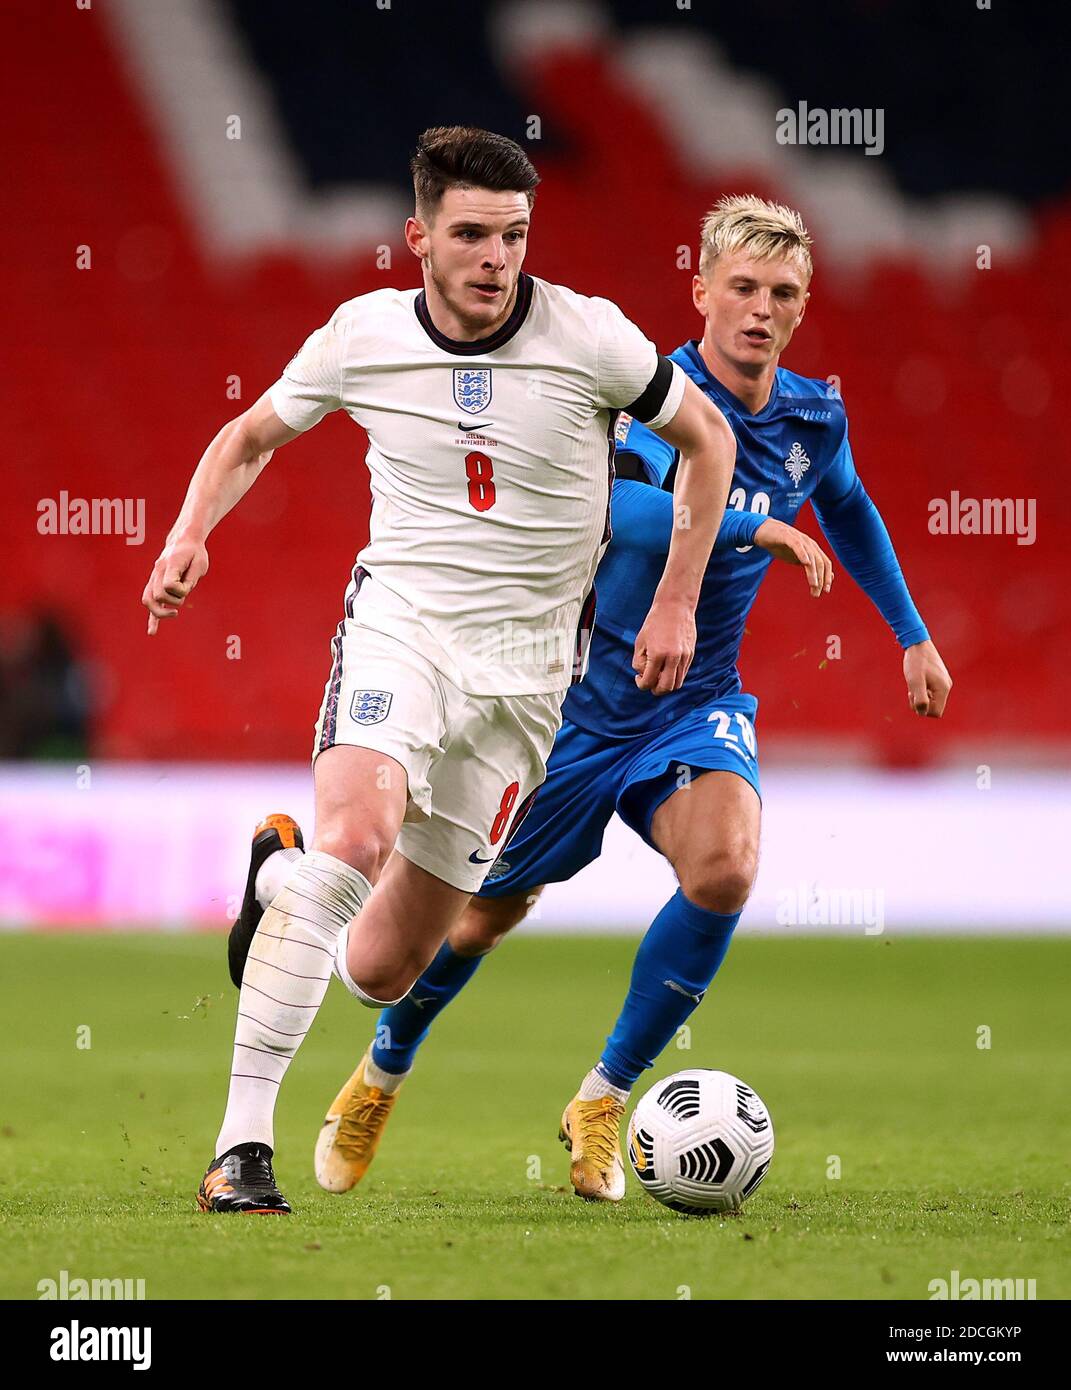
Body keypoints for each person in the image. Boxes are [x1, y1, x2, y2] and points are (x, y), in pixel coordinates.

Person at [245, 193, 952, 1205]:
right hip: (568, 698)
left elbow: (849, 504)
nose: (760, 309)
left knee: (727, 867)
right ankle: (382, 1070)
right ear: (700, 289)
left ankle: (603, 1096)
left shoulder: (812, 415)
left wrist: (913, 635)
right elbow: (612, 506)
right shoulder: (644, 392)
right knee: (480, 918)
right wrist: (755, 531)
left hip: (690, 700)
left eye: (782, 293)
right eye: (742, 288)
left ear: (803, 305)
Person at [141, 127, 735, 1213]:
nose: (495, 255)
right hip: (401, 632)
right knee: (357, 837)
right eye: (470, 233)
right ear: (418, 237)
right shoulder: (362, 335)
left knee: (380, 968)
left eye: (513, 234)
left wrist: (678, 594)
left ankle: (274, 875)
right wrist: (189, 535)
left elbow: (709, 440)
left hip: (524, 685)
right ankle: (241, 1150)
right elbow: (247, 436)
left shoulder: (593, 338)